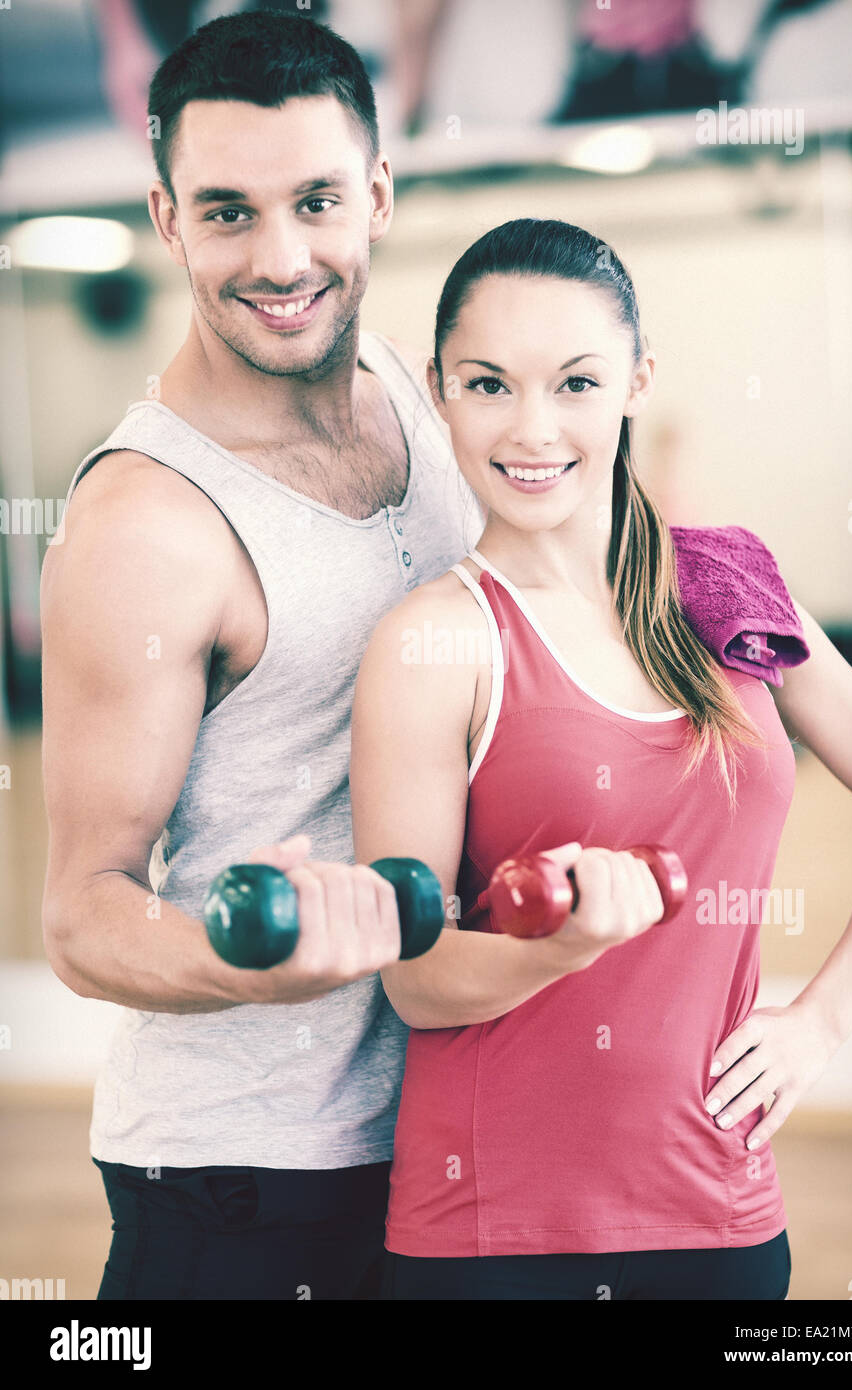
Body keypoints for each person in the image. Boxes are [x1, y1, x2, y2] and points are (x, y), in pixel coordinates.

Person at [350, 217, 852, 1300]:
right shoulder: (434, 642)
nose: (532, 428)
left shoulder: (729, 588)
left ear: (637, 380)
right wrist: (561, 951)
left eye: (575, 382)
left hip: (722, 1216)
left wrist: (823, 1020)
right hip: (493, 1237)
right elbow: (415, 979)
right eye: (488, 384)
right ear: (441, 392)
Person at [39, 11, 482, 1300]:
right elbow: (81, 914)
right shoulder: (146, 523)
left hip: (444, 1140)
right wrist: (251, 963)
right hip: (242, 1180)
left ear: (377, 197)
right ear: (168, 221)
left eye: (317, 202)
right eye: (228, 212)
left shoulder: (416, 394)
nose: (281, 259)